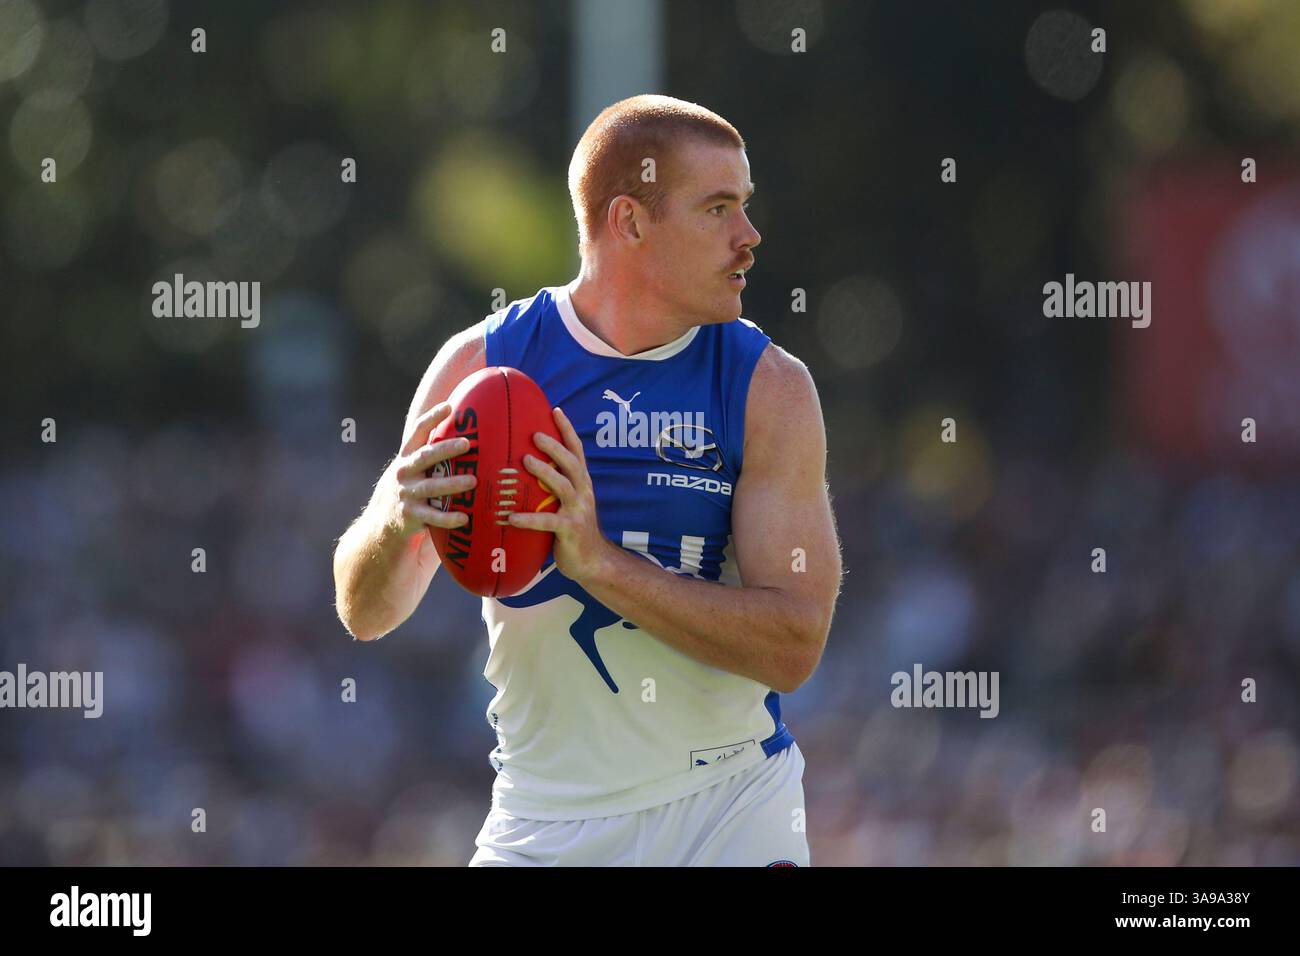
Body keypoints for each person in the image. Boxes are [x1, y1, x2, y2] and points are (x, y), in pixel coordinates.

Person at [333, 94, 842, 866]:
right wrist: (394, 522)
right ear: (630, 223)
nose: (749, 237)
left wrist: (599, 562)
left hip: (730, 809)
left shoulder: (768, 387)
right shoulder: (483, 369)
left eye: (744, 207)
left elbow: (794, 646)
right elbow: (365, 613)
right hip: (543, 821)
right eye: (717, 209)